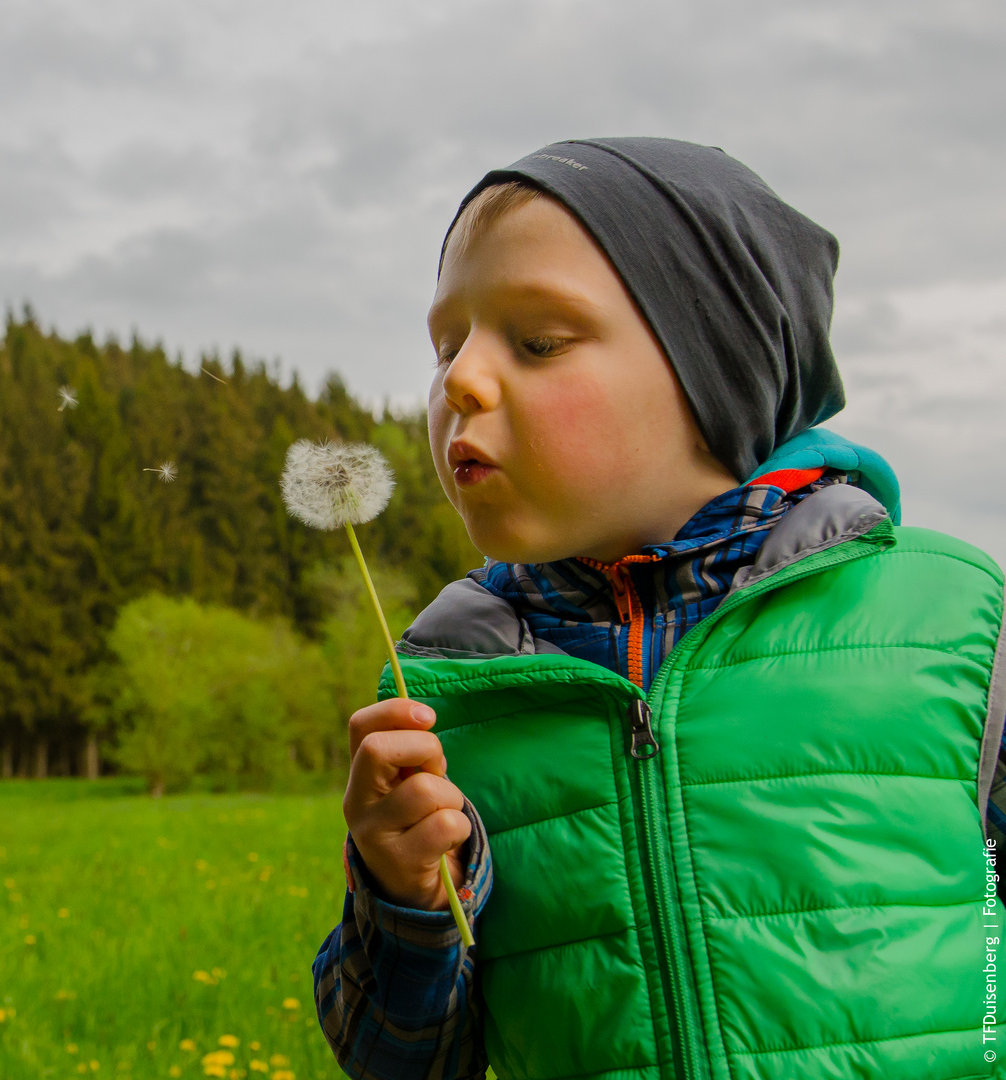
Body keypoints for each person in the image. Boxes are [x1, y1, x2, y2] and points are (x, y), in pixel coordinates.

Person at [312, 138, 1006, 1080]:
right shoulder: (446, 687)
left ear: (716, 368)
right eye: (445, 346)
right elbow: (403, 1061)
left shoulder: (956, 621)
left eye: (538, 342)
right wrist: (404, 904)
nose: (459, 381)